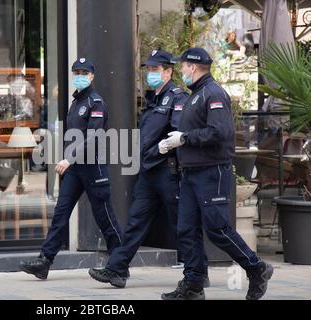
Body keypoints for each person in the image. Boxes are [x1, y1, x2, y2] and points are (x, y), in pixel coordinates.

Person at [159, 48, 274, 300]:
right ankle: (193, 284)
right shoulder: (196, 94)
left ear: (194, 67)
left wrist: (184, 138)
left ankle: (257, 268)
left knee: (217, 229)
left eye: (184, 66)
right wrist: (173, 143)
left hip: (212, 172)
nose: (181, 70)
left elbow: (219, 132)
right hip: (191, 173)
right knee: (186, 229)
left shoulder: (213, 93)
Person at [88, 50, 194, 289]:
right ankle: (117, 270)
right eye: (148, 69)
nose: (150, 73)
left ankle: (197, 272)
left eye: (155, 70)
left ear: (168, 72)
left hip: (167, 171)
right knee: (136, 221)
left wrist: (160, 152)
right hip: (148, 171)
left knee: (182, 224)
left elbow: (177, 135)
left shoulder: (177, 98)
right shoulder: (153, 98)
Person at [19, 58, 123, 280]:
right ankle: (44, 261)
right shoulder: (76, 103)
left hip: (93, 168)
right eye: (76, 71)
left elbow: (93, 136)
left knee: (105, 217)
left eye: (84, 72)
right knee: (61, 213)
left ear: (92, 76)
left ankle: (119, 265)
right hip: (76, 169)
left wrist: (69, 159)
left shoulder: (96, 103)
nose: (80, 75)